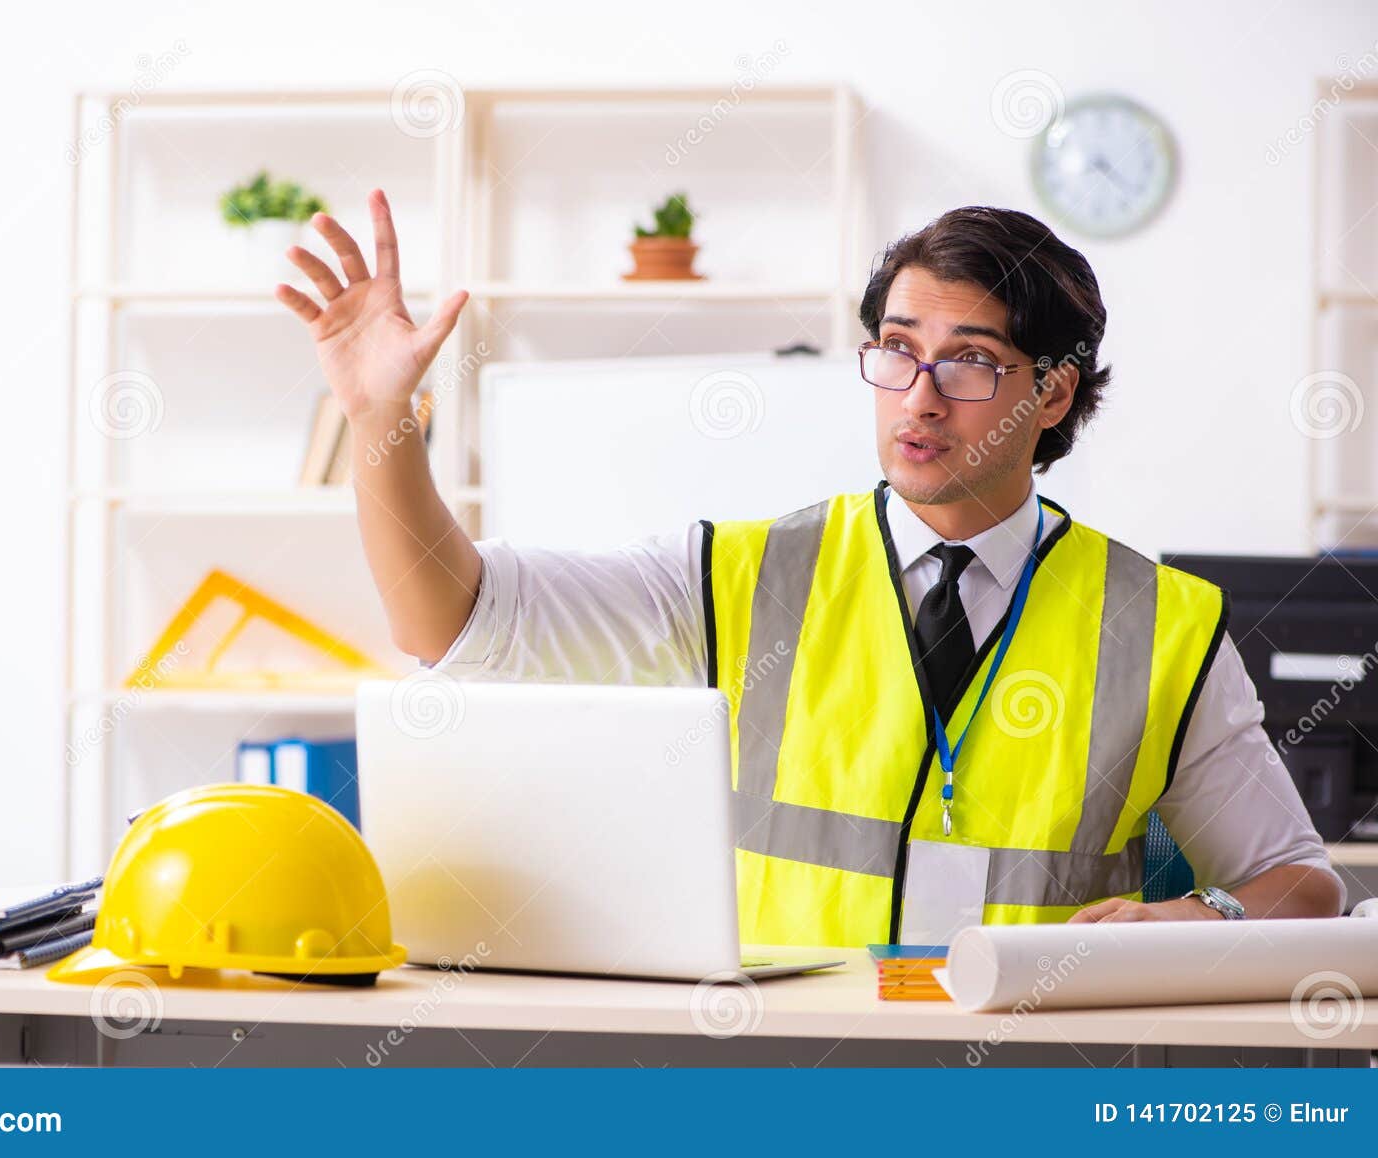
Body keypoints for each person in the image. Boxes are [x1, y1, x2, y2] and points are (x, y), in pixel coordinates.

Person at [275, 189, 1345, 948]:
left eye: (969, 360)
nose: (918, 395)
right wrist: (381, 422)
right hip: (780, 1079)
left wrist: (1198, 917)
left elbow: (1301, 886)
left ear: (1052, 395)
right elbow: (448, 620)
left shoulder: (1162, 625)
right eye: (895, 346)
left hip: (1031, 1088)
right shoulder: (735, 574)